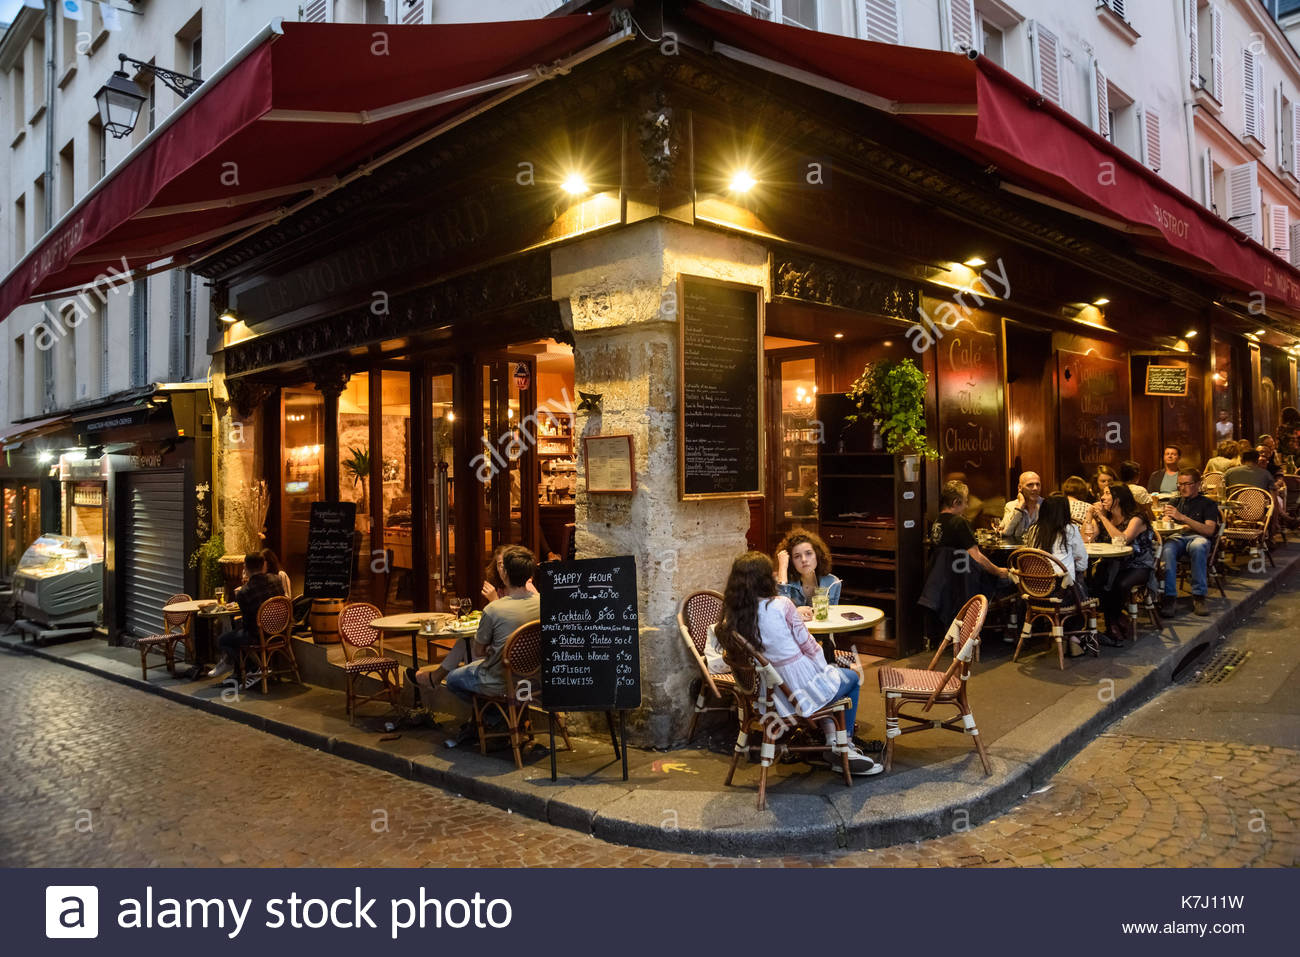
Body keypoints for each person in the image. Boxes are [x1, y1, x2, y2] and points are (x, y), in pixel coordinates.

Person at [713, 551, 881, 776]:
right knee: (851, 677)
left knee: (832, 680)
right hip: (799, 692)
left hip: (766, 696)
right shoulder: (781, 605)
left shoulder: (732, 617)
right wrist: (826, 672)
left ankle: (832, 742)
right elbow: (810, 646)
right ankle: (844, 747)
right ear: (765, 578)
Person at [409, 546, 540, 716]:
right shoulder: (543, 603)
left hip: (498, 679)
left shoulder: (494, 609)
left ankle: (490, 718)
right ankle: (497, 718)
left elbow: (479, 650)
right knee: (470, 656)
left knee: (452, 679)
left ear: (505, 573)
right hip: (534, 677)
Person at [1087, 484, 1157, 648]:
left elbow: (1122, 540)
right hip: (1112, 564)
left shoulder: (1137, 518)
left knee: (1118, 584)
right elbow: (1086, 539)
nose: (1102, 498)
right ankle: (1118, 622)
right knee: (1096, 584)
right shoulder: (1107, 517)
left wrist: (1103, 518)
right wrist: (1089, 516)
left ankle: (1114, 627)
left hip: (1138, 565)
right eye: (1102, 494)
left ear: (1117, 499)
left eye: (1106, 494)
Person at [209, 552, 285, 680]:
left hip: (259, 636)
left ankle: (250, 668)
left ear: (245, 568)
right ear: (264, 565)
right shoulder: (276, 580)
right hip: (280, 631)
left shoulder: (244, 592)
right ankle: (242, 668)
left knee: (223, 639)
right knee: (238, 632)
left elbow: (248, 623)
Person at [1158, 469, 1221, 618]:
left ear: (1198, 484)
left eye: (1187, 484)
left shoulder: (1208, 503)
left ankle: (1199, 597)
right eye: (1180, 484)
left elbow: (1209, 530)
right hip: (1178, 537)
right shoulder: (1175, 501)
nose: (1183, 488)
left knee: (1198, 546)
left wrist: (1183, 518)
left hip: (1198, 537)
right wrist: (1165, 521)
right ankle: (1170, 597)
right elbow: (1165, 523)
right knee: (1166, 549)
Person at [929, 479, 1011, 589]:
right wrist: (999, 571)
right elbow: (976, 557)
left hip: (944, 582)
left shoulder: (937, 521)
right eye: (965, 502)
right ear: (955, 502)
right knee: (1009, 579)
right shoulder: (959, 522)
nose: (966, 506)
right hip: (964, 581)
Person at [774, 529, 841, 619]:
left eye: (808, 553)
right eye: (797, 556)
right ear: (791, 561)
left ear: (817, 555)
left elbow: (833, 618)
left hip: (822, 631)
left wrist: (792, 613)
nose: (804, 559)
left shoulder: (833, 583)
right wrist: (782, 567)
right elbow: (779, 613)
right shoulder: (783, 582)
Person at [1026, 494, 1088, 590]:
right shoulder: (1070, 529)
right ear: (1065, 511)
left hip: (1036, 587)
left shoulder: (1033, 529)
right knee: (1079, 575)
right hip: (1061, 590)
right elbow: (1082, 563)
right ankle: (1082, 599)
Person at [998, 471, 1042, 543]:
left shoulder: (1046, 505)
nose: (1035, 488)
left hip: (1040, 552)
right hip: (1017, 551)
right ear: (1020, 487)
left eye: (1038, 484)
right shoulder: (1011, 506)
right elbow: (1006, 533)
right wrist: (1020, 506)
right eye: (1030, 485)